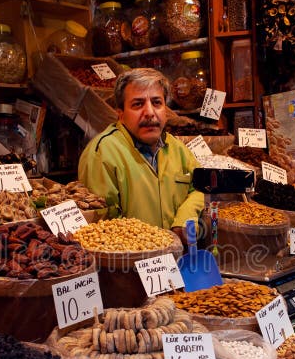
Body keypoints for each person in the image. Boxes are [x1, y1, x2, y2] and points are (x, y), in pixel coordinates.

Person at [78, 68, 204, 241]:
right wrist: (153, 244)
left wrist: (186, 217)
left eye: (157, 102)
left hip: (178, 261)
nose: (150, 112)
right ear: (120, 114)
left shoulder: (176, 148)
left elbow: (200, 187)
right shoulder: (102, 153)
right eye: (138, 104)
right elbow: (101, 228)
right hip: (129, 264)